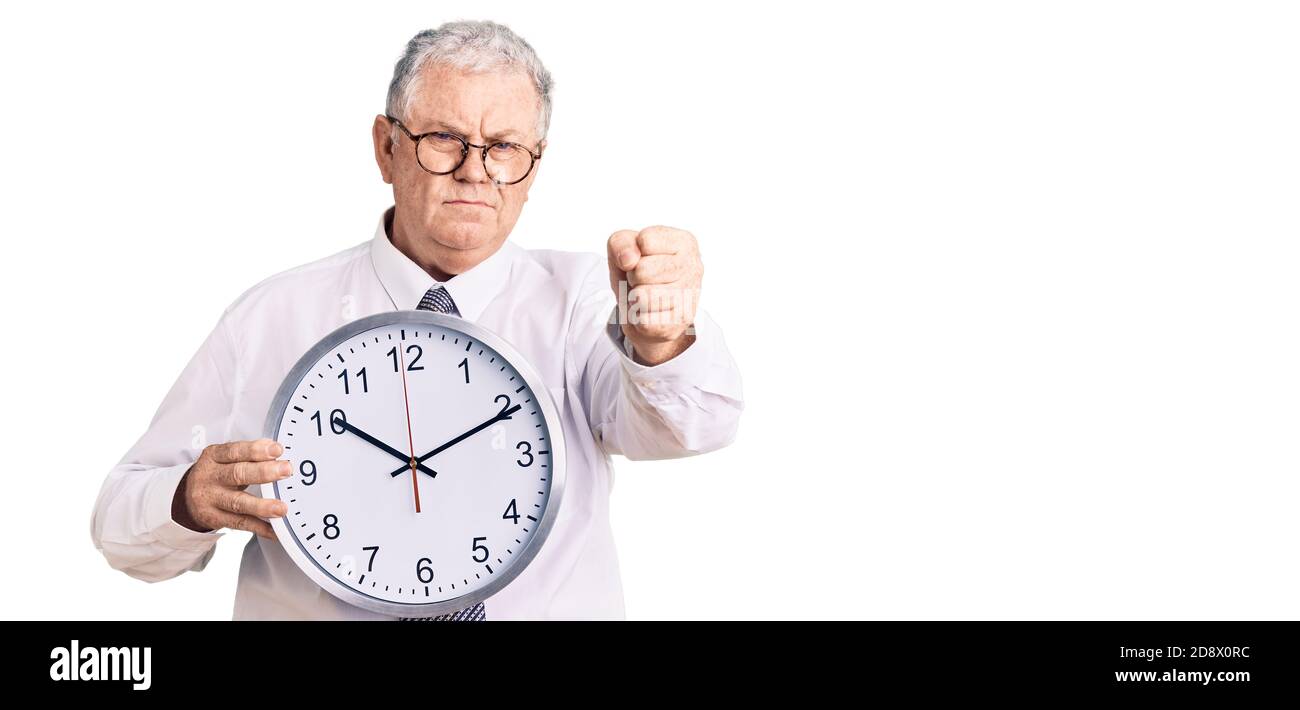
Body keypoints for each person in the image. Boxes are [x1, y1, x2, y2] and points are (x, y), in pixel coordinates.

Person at [89, 20, 743, 620]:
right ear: (386, 148)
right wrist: (186, 500)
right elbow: (121, 528)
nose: (474, 171)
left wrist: (659, 338)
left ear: (534, 164)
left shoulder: (586, 302)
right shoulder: (269, 318)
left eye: (504, 147)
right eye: (444, 140)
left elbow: (695, 427)